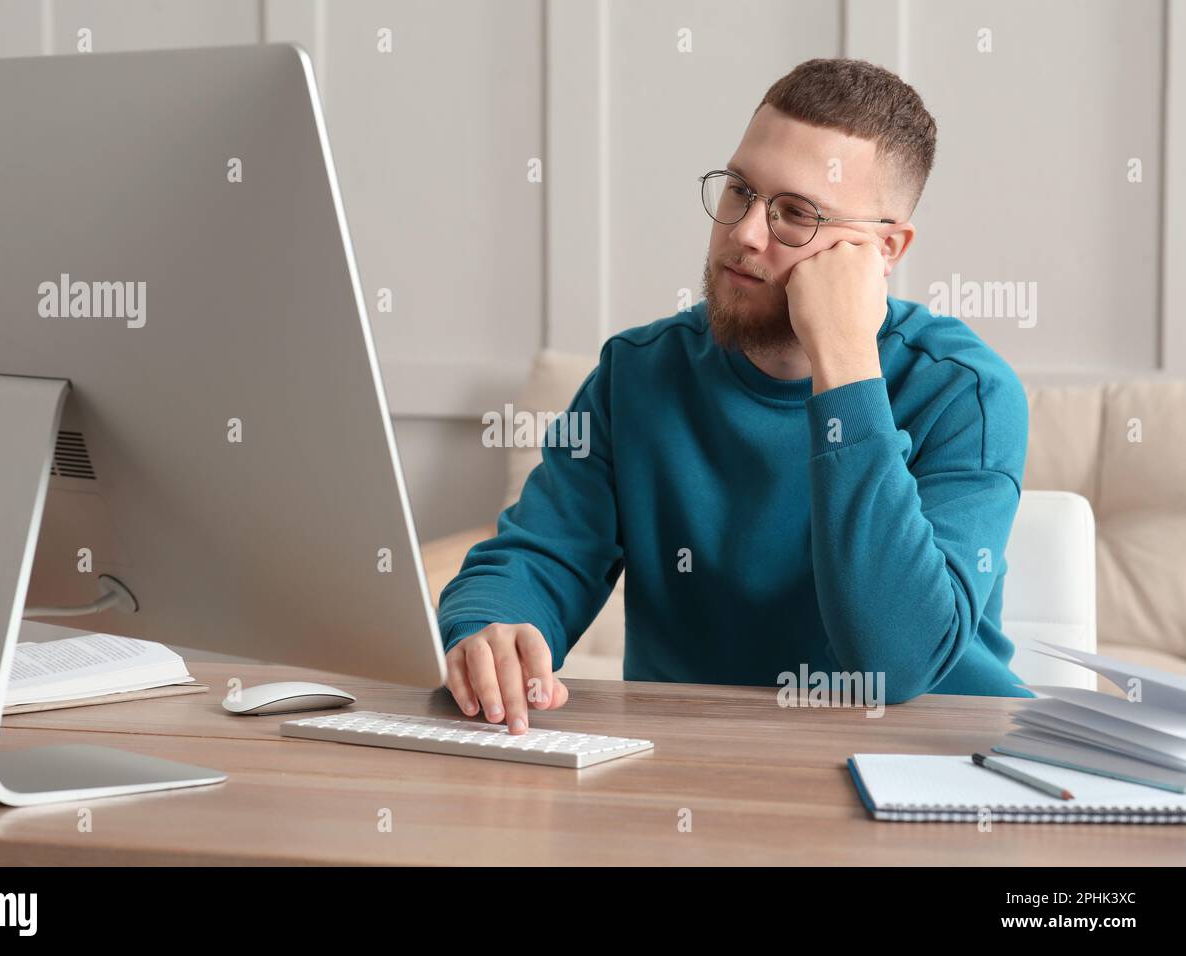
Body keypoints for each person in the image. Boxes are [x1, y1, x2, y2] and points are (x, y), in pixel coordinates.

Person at [437, 58, 1029, 734]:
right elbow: (538, 555)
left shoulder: (965, 394)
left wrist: (845, 361)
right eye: (740, 191)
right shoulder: (637, 375)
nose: (745, 233)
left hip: (929, 771)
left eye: (795, 214)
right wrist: (490, 627)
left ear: (884, 249)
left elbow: (892, 663)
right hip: (701, 774)